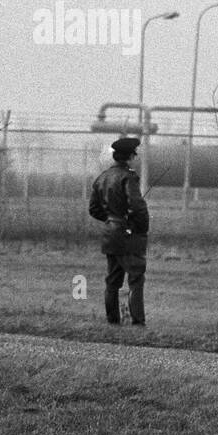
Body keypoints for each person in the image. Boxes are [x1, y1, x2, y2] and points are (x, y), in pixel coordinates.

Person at [88, 137, 150, 325]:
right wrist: (140, 228)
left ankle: (112, 322)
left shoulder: (102, 177)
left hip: (110, 236)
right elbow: (137, 206)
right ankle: (138, 323)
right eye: (134, 155)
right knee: (136, 279)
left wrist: (109, 220)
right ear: (130, 156)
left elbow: (93, 209)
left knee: (112, 282)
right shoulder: (128, 177)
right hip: (127, 235)